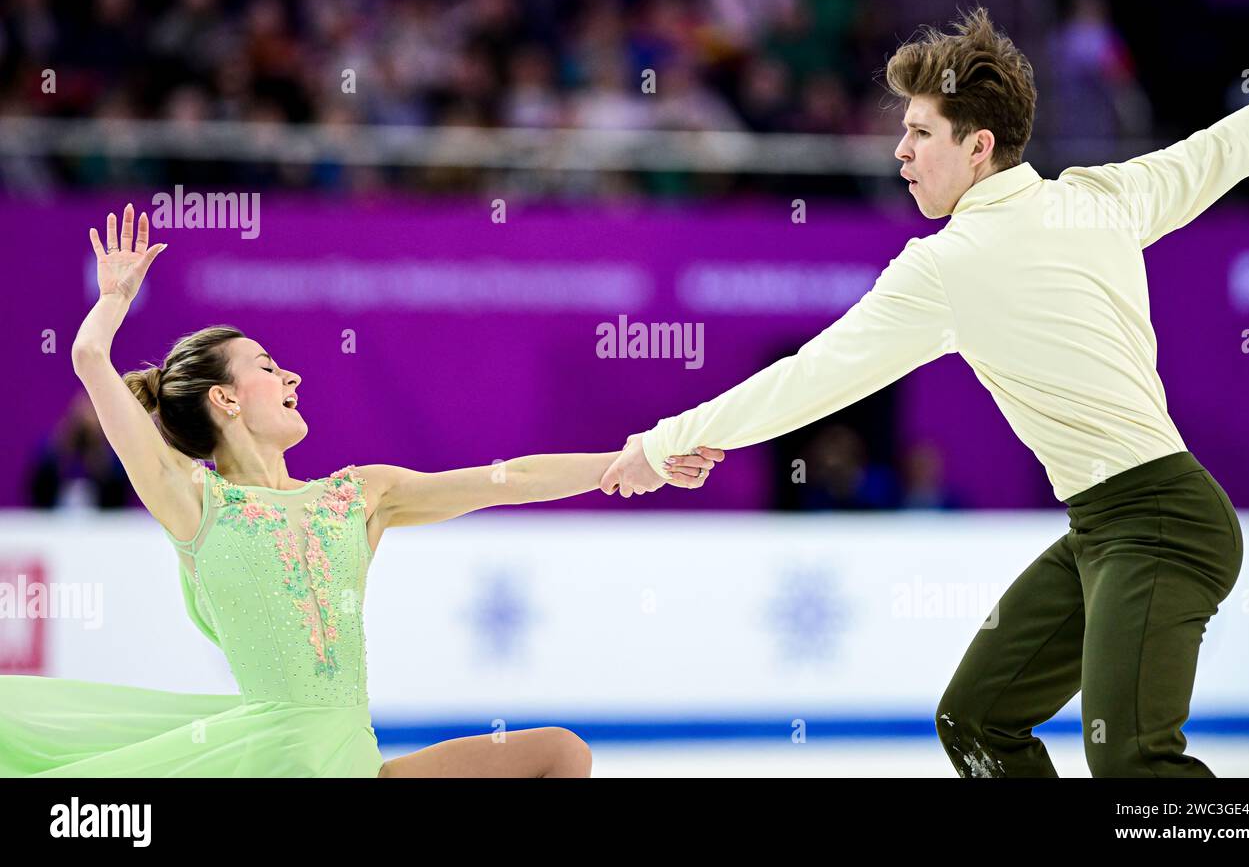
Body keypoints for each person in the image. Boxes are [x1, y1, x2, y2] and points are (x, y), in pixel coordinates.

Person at [602, 6, 1249, 777]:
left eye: (921, 135)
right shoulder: (1101, 197)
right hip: (1108, 526)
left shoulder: (950, 264)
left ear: (979, 147)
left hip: (1158, 522)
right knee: (976, 721)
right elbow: (1234, 145)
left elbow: (810, 378)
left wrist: (661, 443)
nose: (900, 153)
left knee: (1134, 767)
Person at [0, 203, 723, 778]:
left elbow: (509, 478)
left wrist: (638, 456)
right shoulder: (196, 503)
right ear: (224, 400)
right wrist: (115, 299)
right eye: (270, 368)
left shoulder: (357, 498)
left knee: (559, 753)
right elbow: (91, 357)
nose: (293, 379)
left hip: (352, 765)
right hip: (269, 763)